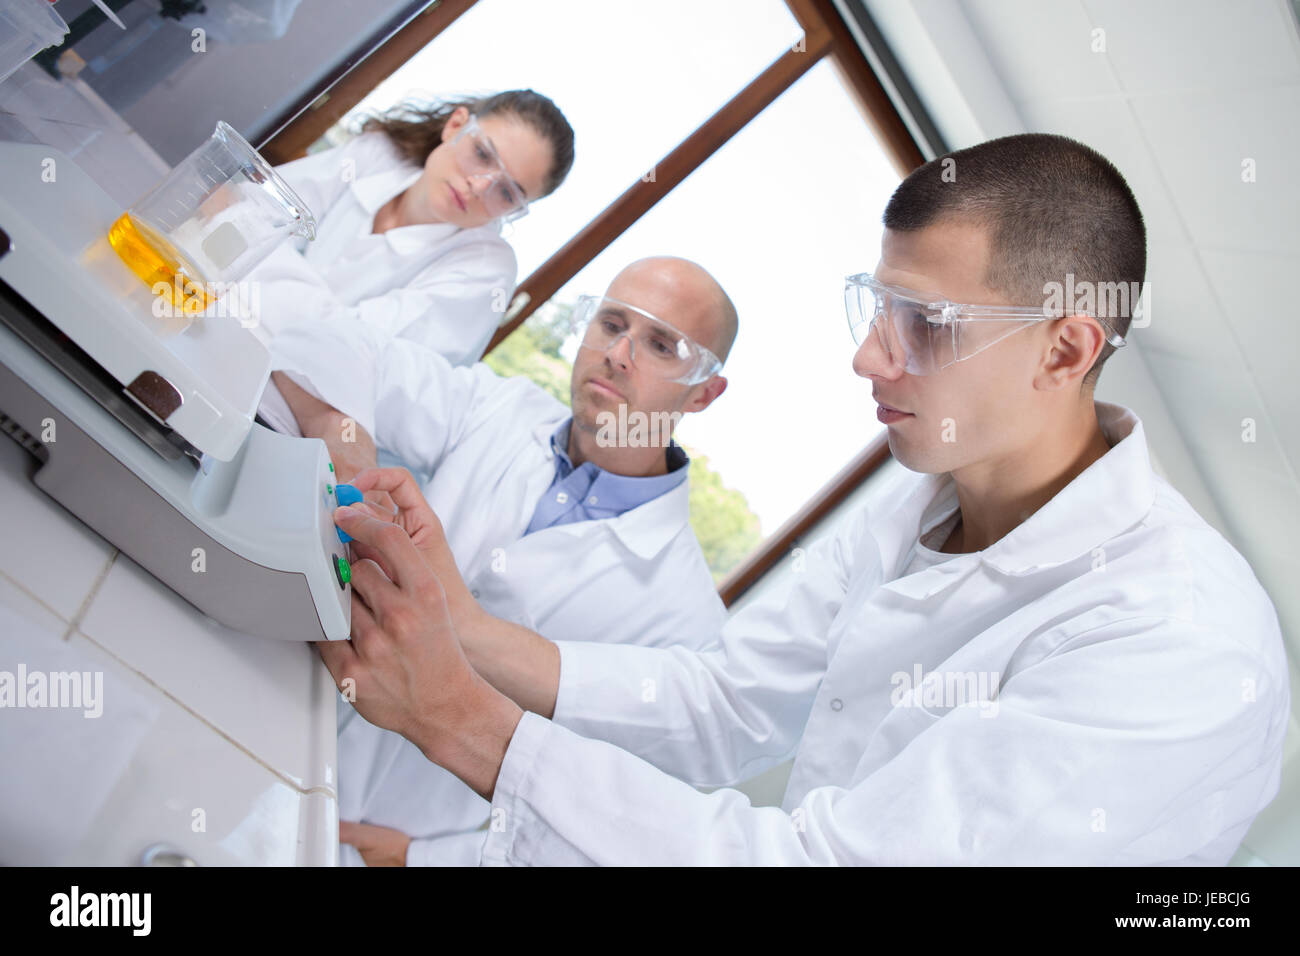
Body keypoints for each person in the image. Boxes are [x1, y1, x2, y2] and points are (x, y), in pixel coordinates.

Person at [314, 132, 1290, 865]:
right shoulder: (914, 513)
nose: (868, 357)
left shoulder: (1176, 639)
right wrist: (458, 626)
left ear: (1064, 348)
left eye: (926, 324)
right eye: (876, 307)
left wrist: (458, 717)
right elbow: (716, 704)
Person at [267, 256, 738, 865]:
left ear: (704, 392)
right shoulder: (499, 411)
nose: (619, 353)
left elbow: (623, 819)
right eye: (611, 322)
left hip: (376, 842)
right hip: (272, 714)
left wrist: (422, 861)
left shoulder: (688, 624)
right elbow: (322, 344)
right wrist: (351, 464)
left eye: (660, 344)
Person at [249, 90, 575, 366]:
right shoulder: (377, 154)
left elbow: (346, 357)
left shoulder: (487, 269)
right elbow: (241, 212)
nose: (478, 186)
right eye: (482, 153)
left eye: (506, 192)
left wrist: (262, 272)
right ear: (456, 125)